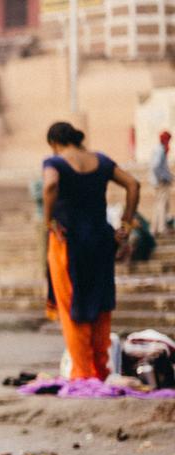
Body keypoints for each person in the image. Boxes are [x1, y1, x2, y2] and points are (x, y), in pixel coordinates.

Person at [42, 121, 140, 380]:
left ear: (54, 143)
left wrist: (48, 220)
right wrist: (126, 225)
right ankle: (100, 370)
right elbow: (133, 185)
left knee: (73, 304)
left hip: (69, 241)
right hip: (100, 240)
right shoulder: (101, 160)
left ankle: (82, 374)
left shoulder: (55, 163)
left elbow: (50, 186)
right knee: (100, 304)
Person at [151, 131, 171, 236]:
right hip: (161, 182)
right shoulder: (160, 150)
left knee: (158, 204)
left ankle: (154, 228)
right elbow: (156, 166)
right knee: (162, 205)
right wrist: (162, 178)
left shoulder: (159, 149)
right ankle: (161, 228)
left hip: (159, 181)